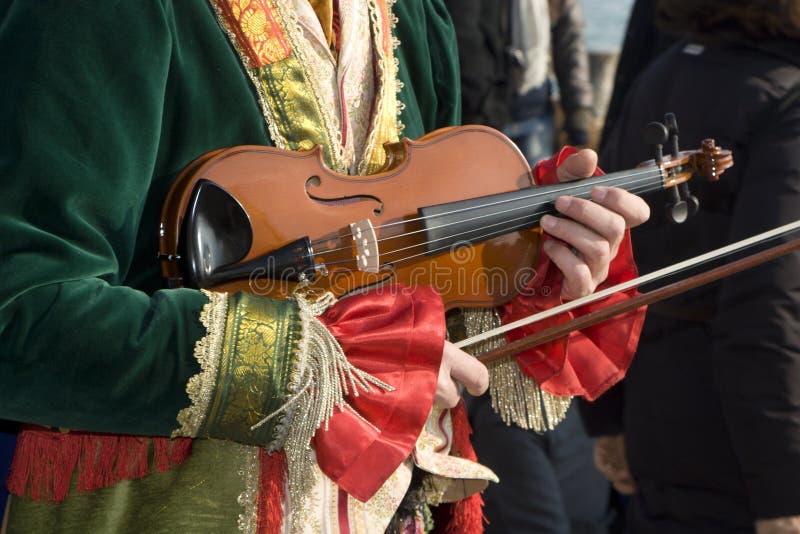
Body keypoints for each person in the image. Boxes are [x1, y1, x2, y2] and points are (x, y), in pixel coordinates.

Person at [0, 1, 649, 532]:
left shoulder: (412, 15)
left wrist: (525, 259)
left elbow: (413, 288)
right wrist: (297, 362)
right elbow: (20, 312)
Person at [583, 1, 800, 532]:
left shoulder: (668, 70)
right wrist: (784, 488)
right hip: (747, 453)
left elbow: (603, 266)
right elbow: (769, 306)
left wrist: (608, 421)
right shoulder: (787, 97)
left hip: (654, 423)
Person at [447, 0, 595, 166]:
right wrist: (484, 102)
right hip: (482, 113)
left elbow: (569, 39)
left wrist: (578, 108)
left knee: (539, 187)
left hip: (536, 110)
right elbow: (462, 34)